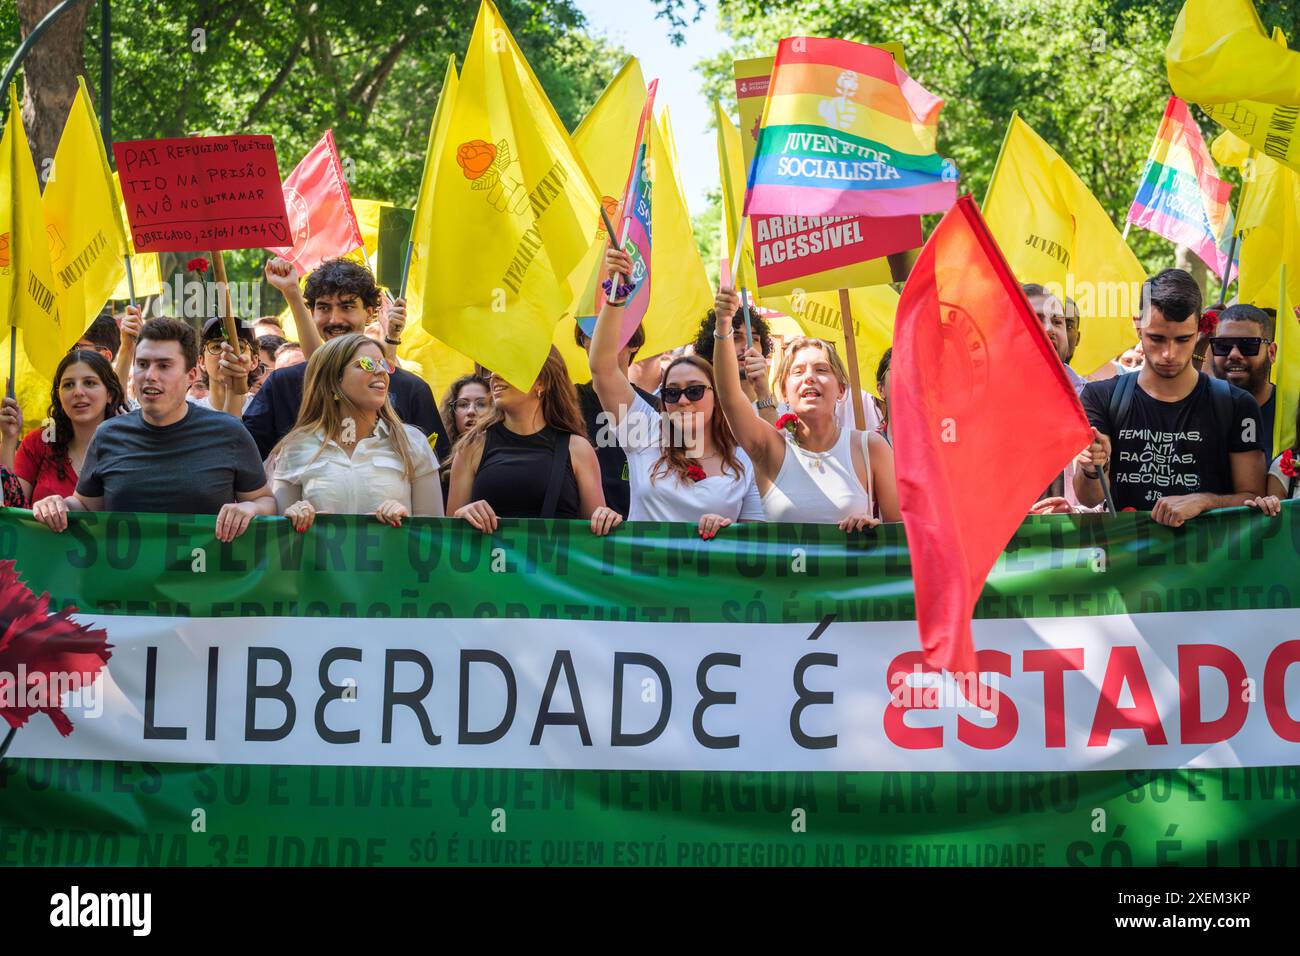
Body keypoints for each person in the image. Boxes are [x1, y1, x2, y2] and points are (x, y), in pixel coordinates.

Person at [29, 318, 276, 542]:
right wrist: (58, 505)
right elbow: (85, 505)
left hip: (203, 586)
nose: (150, 375)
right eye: (143, 364)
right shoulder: (108, 435)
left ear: (191, 375)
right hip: (124, 588)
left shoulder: (229, 432)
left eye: (164, 366)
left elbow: (265, 500)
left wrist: (250, 508)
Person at [589, 249, 763, 538]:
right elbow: (603, 367)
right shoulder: (643, 432)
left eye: (695, 391)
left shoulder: (744, 456)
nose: (682, 400)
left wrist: (727, 530)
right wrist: (617, 296)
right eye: (671, 393)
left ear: (716, 396)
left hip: (710, 580)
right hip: (645, 579)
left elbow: (757, 539)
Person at [1075, 268, 1266, 525]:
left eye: (1183, 339)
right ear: (1137, 325)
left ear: (1201, 330)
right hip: (1127, 559)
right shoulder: (1101, 396)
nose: (1169, 354)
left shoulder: (1236, 404)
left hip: (1209, 560)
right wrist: (1092, 468)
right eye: (1157, 338)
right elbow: (1088, 498)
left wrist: (1204, 501)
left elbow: (1254, 498)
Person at [712, 285, 900, 529]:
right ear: (785, 392)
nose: (809, 378)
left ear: (841, 389)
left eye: (821, 370)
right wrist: (722, 326)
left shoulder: (870, 448)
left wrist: (871, 526)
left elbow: (900, 537)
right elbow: (730, 397)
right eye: (797, 372)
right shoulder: (770, 447)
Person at [245, 257, 449, 461]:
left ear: (370, 313)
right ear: (312, 313)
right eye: (324, 307)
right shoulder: (283, 385)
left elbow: (437, 470)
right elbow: (247, 460)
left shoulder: (410, 389)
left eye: (347, 307)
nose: (335, 319)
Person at [271, 334, 443, 529]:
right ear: (333, 379)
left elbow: (433, 535)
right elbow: (280, 542)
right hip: (318, 561)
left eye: (384, 364)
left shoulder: (413, 442)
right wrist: (293, 516)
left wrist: (404, 522)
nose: (381, 371)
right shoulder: (295, 447)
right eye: (368, 364)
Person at [446, 347, 619, 536]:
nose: (495, 375)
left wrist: (606, 517)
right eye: (493, 369)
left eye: (509, 367)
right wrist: (461, 516)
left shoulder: (578, 448)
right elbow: (447, 537)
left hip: (552, 565)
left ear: (541, 382)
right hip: (488, 565)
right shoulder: (471, 447)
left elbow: (597, 537)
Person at [1, 351, 128, 507]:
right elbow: (12, 509)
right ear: (59, 397)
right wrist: (8, 439)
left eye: (89, 383)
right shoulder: (40, 442)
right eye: (68, 385)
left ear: (110, 394)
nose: (78, 392)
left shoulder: (130, 447)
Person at [573, 315, 660, 517]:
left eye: (613, 333)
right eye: (589, 333)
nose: (600, 340)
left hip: (638, 532)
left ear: (634, 343)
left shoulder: (656, 408)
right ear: (583, 343)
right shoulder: (564, 402)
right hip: (578, 535)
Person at [1209, 304, 1277, 461]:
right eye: (1223, 345)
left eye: (1247, 345)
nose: (1234, 354)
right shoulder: (1195, 408)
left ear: (1271, 352)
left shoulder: (1292, 412)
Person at [693, 305, 779, 425]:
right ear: (713, 351)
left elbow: (777, 443)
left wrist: (763, 394)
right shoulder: (691, 408)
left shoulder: (786, 415)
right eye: (735, 338)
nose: (747, 347)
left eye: (754, 339)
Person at [437, 372, 492, 496]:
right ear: (452, 413)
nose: (471, 411)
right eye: (463, 404)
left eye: (481, 404)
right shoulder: (437, 460)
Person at [195, 317, 261, 416]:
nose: (226, 354)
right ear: (202, 362)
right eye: (216, 347)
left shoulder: (265, 411)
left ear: (254, 361)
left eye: (239, 347)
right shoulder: (189, 414)